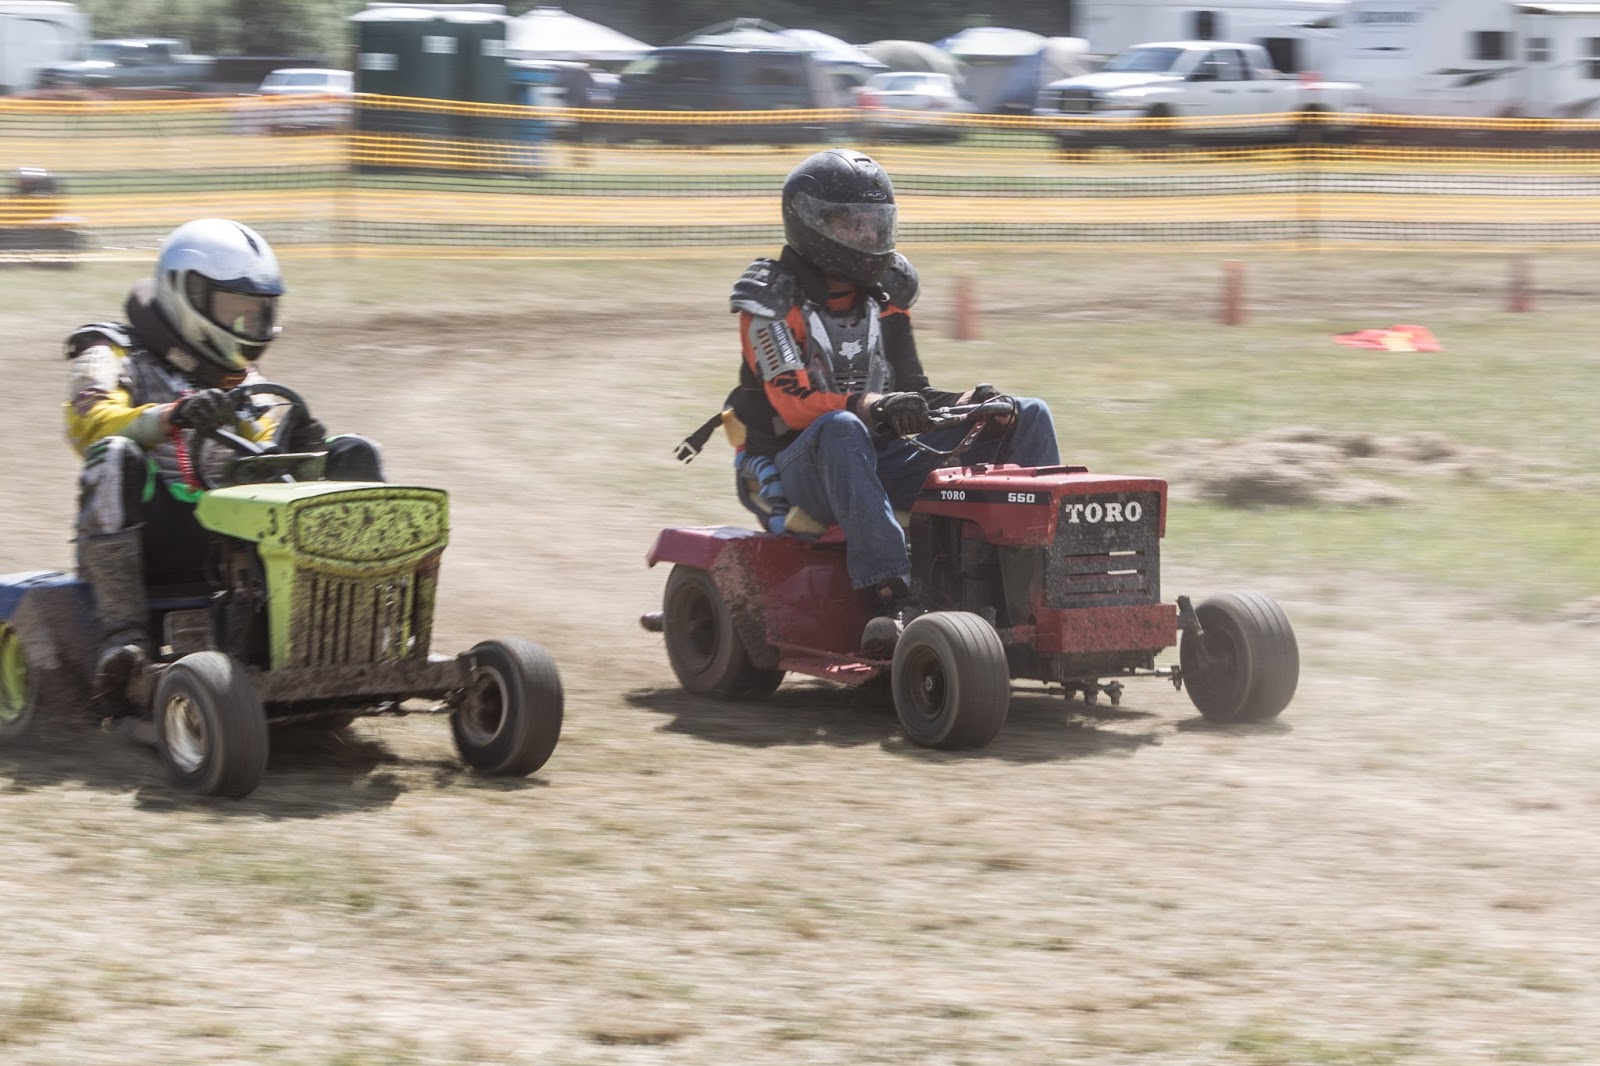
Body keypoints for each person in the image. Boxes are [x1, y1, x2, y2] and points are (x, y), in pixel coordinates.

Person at [727, 149, 1061, 655]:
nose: (868, 238)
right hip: (797, 466)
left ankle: (1043, 578)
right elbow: (794, 404)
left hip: (878, 453)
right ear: (810, 224)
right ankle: (892, 597)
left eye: (874, 224)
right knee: (842, 427)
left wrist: (973, 402)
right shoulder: (770, 300)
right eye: (852, 224)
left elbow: (915, 391)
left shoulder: (887, 293)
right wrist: (872, 407)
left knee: (1027, 411)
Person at [65, 218, 383, 711]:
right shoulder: (110, 354)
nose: (248, 328)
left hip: (226, 534)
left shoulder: (240, 378)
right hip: (149, 536)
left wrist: (294, 449)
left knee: (353, 452)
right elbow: (89, 425)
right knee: (114, 456)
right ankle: (124, 640)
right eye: (236, 313)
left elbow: (258, 459)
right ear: (185, 295)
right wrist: (170, 416)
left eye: (257, 314)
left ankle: (360, 627)